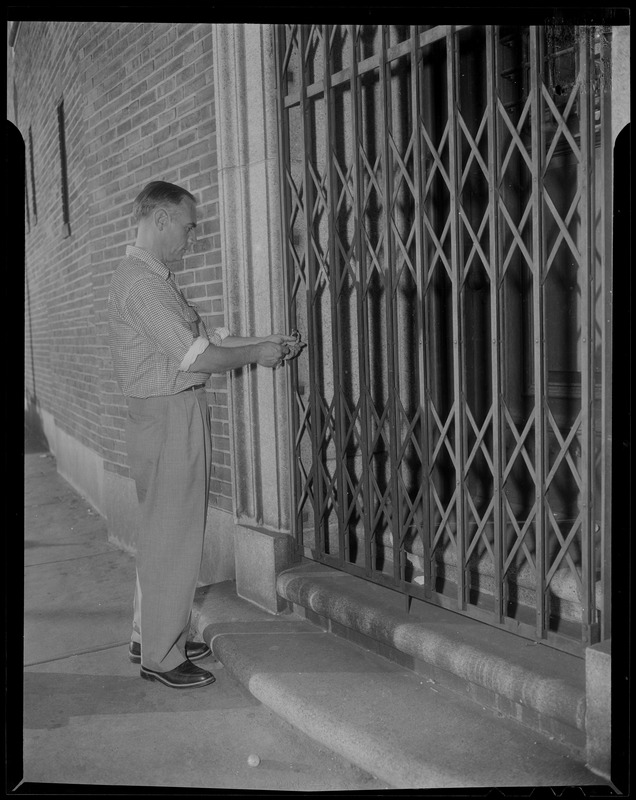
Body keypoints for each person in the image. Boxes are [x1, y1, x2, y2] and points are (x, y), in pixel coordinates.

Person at [108, 181, 298, 689]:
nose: (192, 238)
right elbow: (200, 357)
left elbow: (206, 338)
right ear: (163, 219)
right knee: (173, 536)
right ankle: (162, 657)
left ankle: (147, 635)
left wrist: (263, 341)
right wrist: (256, 355)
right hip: (170, 417)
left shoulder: (151, 277)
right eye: (189, 227)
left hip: (162, 415)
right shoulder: (143, 284)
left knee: (159, 533)